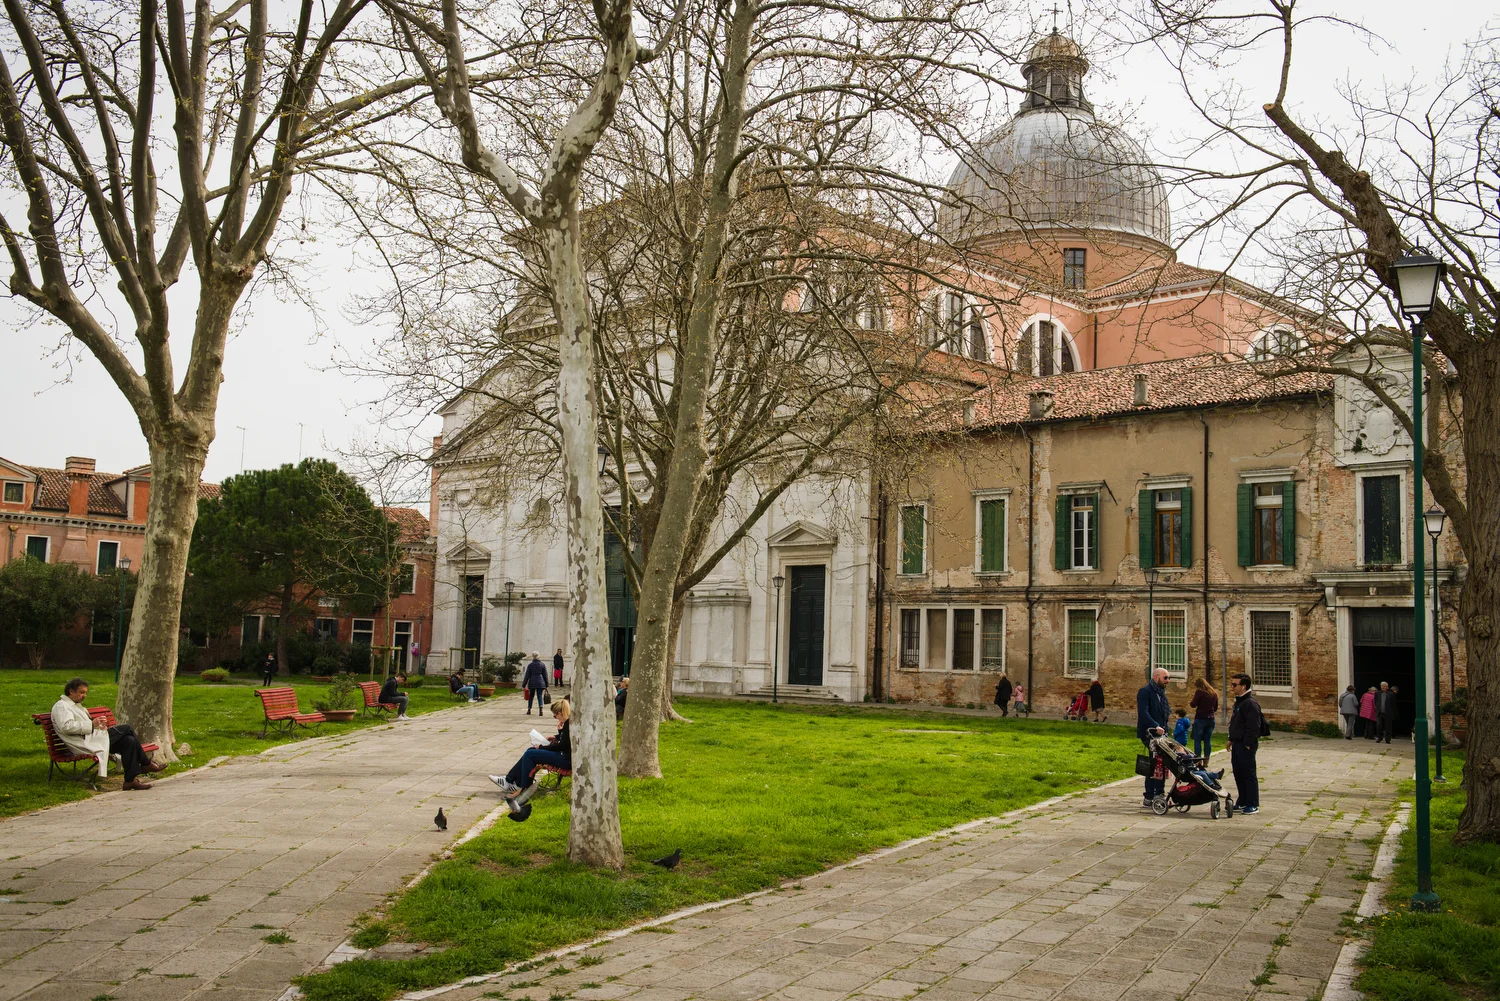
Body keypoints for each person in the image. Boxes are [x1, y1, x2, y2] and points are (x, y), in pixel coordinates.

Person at [50, 678, 164, 790]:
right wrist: (92, 725)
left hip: (93, 739)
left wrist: (98, 725)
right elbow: (66, 727)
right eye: (81, 692)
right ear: (71, 691)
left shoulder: (75, 706)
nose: (84, 695)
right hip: (84, 743)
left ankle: (130, 781)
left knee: (129, 741)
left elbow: (86, 726)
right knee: (127, 728)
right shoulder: (62, 706)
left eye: (85, 693)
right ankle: (146, 763)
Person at [490, 699, 572, 799]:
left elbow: (562, 745)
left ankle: (522, 787)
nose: (555, 718)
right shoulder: (568, 723)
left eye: (555, 716)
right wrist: (558, 734)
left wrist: (542, 747)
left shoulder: (568, 723)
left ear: (559, 713)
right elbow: (566, 740)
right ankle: (511, 781)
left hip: (564, 759)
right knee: (530, 750)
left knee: (530, 754)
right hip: (564, 756)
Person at [1226, 672, 1264, 814]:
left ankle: (1252, 803)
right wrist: (1230, 738)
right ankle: (1242, 800)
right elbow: (1236, 723)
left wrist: (1248, 742)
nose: (1232, 687)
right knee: (1238, 773)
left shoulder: (1250, 703)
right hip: (1237, 743)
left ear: (1244, 686)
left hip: (1245, 744)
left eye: (1235, 685)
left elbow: (1254, 726)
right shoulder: (1239, 702)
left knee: (1248, 774)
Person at [1137, 667, 1171, 807]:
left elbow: (1164, 711)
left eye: (1168, 678)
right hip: (1150, 733)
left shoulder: (1161, 693)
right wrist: (1155, 726)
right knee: (1153, 762)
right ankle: (1150, 794)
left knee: (1162, 762)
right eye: (1165, 678)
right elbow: (1143, 713)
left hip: (1162, 733)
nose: (1168, 681)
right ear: (1156, 677)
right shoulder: (1145, 692)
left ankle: (1159, 792)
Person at [1189, 677, 1218, 760]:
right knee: (1207, 740)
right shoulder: (1214, 693)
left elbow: (1193, 704)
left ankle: (1198, 760)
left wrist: (1193, 702)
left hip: (1201, 717)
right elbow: (1215, 708)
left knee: (1197, 740)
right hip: (1211, 719)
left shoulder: (1199, 692)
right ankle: (1206, 759)